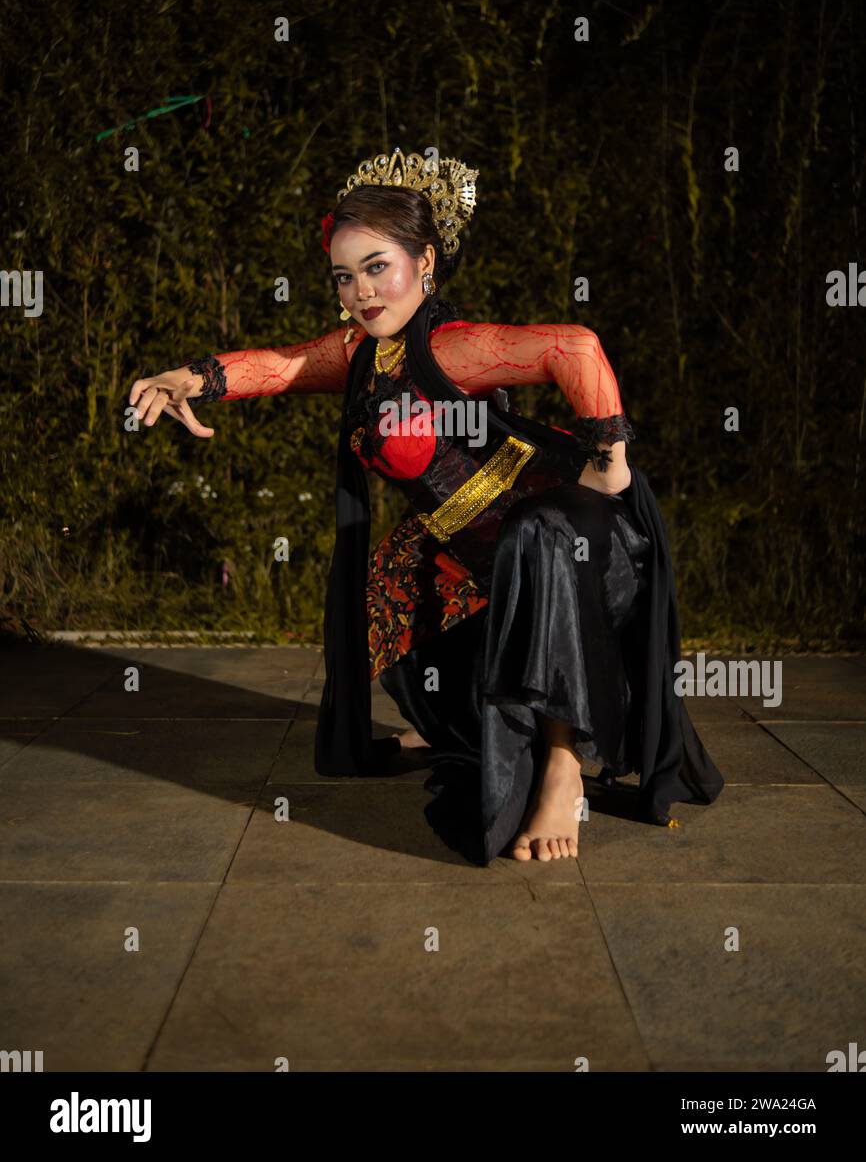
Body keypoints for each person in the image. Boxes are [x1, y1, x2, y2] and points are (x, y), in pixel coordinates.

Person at [129, 146, 724, 865]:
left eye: (378, 266)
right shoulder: (360, 354)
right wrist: (187, 378)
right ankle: (463, 727)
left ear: (427, 261)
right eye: (345, 277)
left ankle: (563, 765)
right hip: (476, 548)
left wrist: (612, 469)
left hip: (575, 549)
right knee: (391, 575)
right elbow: (280, 366)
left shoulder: (451, 347)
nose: (361, 291)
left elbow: (575, 346)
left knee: (537, 533)